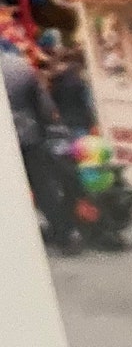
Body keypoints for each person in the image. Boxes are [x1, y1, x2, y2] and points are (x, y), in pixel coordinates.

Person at [1, 44, 81, 253]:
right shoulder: (20, 68)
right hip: (28, 137)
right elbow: (43, 106)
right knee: (44, 188)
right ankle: (63, 235)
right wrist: (45, 127)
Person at [39, 28, 96, 135]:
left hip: (64, 125)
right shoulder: (76, 73)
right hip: (78, 124)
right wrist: (93, 122)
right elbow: (88, 101)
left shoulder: (48, 78)